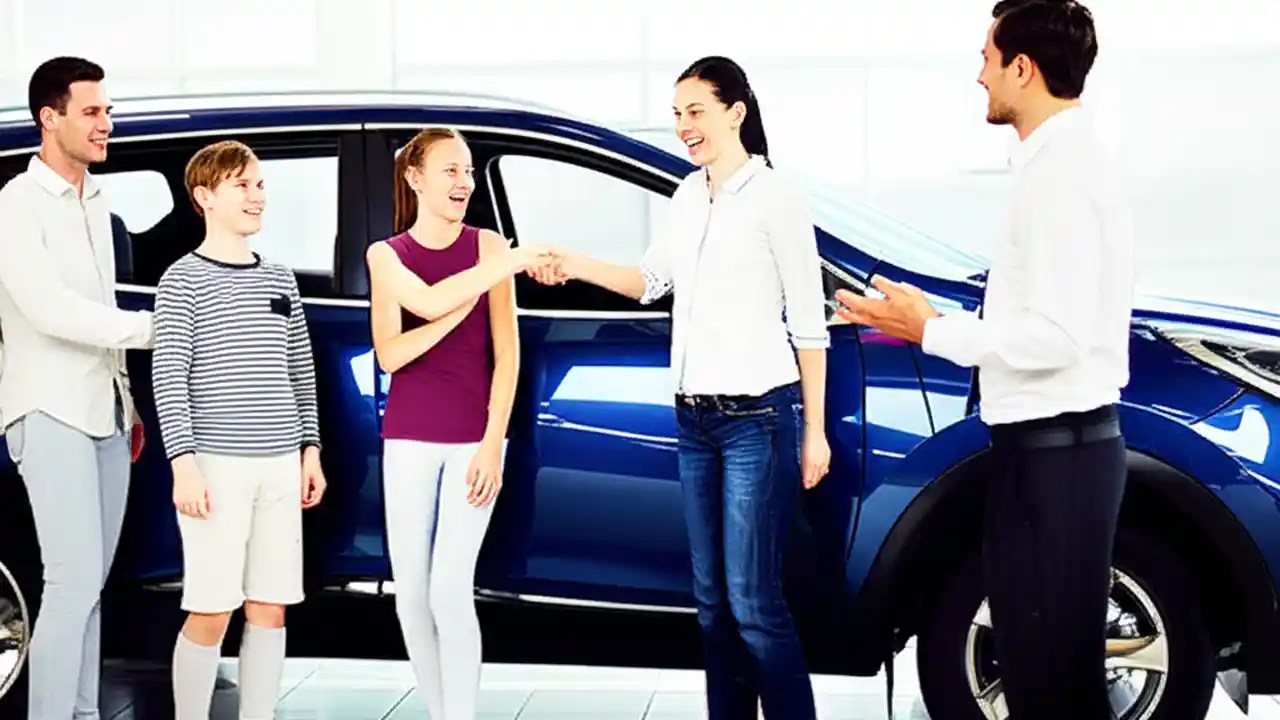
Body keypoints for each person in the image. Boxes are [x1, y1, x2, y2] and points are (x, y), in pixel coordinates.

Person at [835, 1, 1132, 717]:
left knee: (1051, 682)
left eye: (988, 60)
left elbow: (1057, 335)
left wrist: (931, 330)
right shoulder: (1059, 163)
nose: (980, 77)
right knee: (1043, 674)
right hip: (1049, 451)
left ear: (1022, 69)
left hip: (1058, 454)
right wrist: (931, 321)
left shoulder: (1061, 174)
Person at [531, 56, 831, 720]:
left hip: (759, 420)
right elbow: (650, 282)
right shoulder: (688, 195)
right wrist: (573, 263)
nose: (683, 127)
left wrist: (814, 432)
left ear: (736, 113)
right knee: (712, 605)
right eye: (676, 115)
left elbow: (810, 324)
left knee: (754, 604)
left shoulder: (778, 198)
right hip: (694, 421)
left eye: (695, 111)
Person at [366, 127, 552, 720]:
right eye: (451, 170)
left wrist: (493, 442)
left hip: (473, 440)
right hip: (408, 441)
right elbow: (393, 352)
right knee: (411, 598)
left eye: (468, 171)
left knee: (449, 590)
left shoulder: (487, 246)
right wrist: (494, 278)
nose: (464, 182)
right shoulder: (386, 255)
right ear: (415, 178)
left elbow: (507, 354)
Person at [0, 56, 153, 720]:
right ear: (49, 117)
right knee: (70, 582)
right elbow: (51, 311)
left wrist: (128, 401)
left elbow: (98, 305)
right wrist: (157, 328)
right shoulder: (15, 204)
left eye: (107, 111)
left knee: (92, 586)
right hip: (48, 407)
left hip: (106, 413)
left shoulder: (97, 199)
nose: (105, 123)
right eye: (91, 112)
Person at [153, 140, 327, 719]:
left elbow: (299, 368)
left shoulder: (279, 278)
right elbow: (169, 375)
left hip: (280, 465)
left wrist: (310, 450)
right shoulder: (182, 280)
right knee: (211, 608)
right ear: (205, 197)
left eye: (260, 185)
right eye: (242, 185)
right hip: (216, 468)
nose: (257, 196)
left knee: (271, 607)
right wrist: (183, 465)